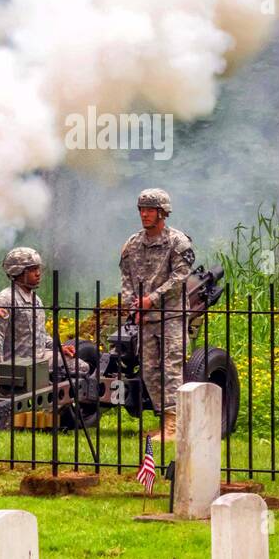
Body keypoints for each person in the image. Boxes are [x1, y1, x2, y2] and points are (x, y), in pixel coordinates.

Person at [118, 189, 194, 443]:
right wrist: (134, 307)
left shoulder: (177, 242)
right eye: (141, 209)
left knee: (171, 368)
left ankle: (174, 425)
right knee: (150, 371)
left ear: (162, 213)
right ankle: (165, 422)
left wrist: (153, 299)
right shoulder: (132, 244)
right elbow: (126, 279)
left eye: (149, 210)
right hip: (147, 320)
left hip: (171, 315)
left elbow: (180, 277)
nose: (144, 214)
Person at [0, 247, 57, 381]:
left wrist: (58, 347)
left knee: (79, 367)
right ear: (18, 272)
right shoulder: (5, 299)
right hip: (17, 365)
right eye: (32, 270)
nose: (38, 274)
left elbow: (40, 334)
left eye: (38, 269)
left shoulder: (36, 300)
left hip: (39, 360)